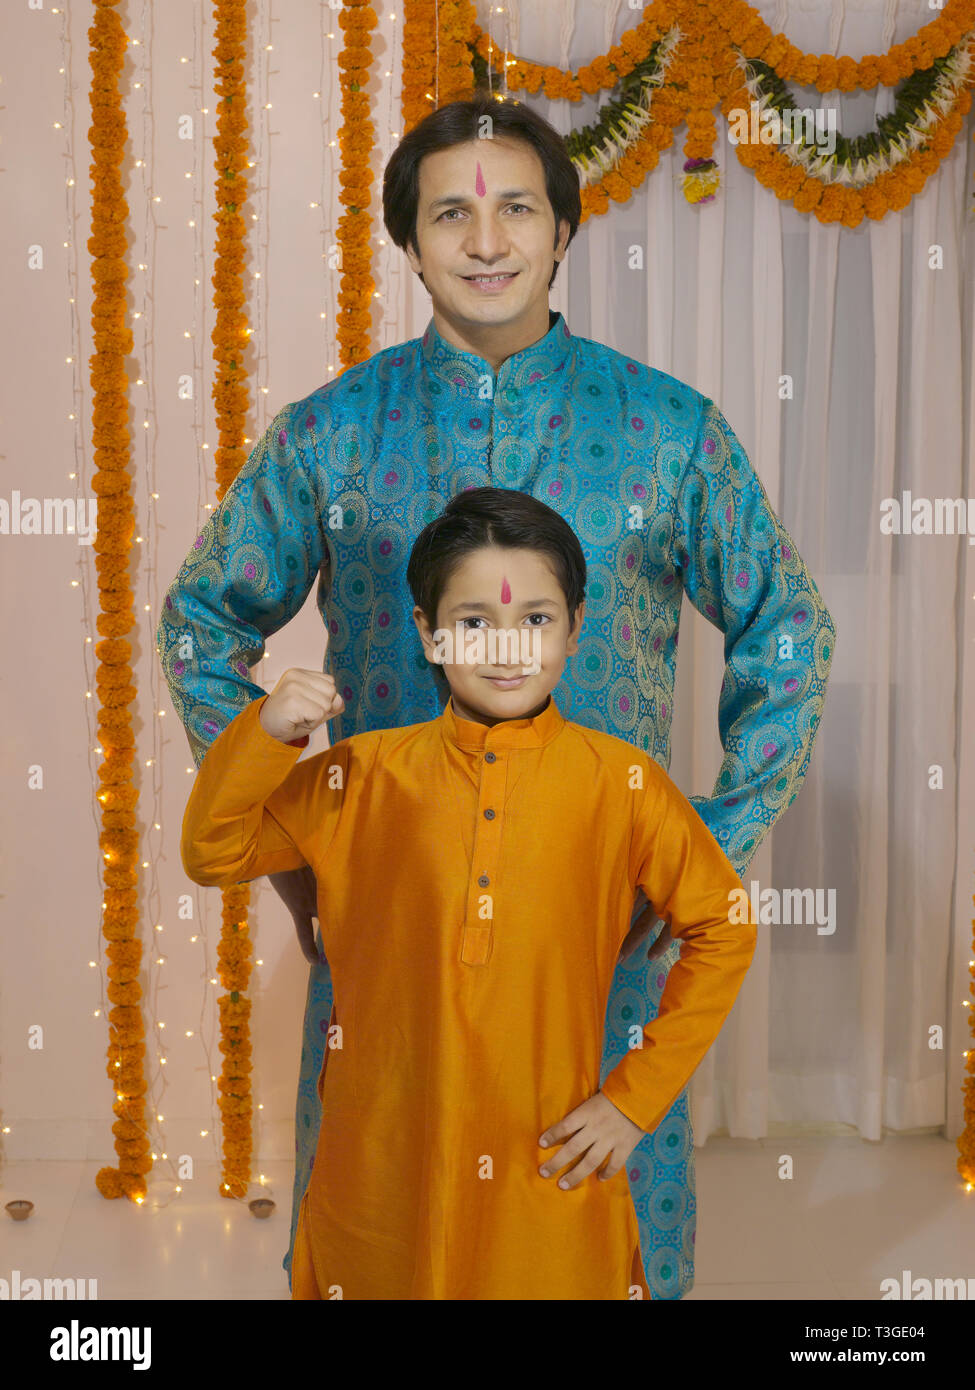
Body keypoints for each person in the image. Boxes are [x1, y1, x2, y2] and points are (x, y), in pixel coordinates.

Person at [156, 90, 835, 1299]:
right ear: (408, 242)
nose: (485, 240)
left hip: (600, 915)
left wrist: (706, 849)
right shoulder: (332, 434)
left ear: (563, 231)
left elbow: (791, 629)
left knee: (590, 1200)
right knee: (383, 1198)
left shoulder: (668, 430)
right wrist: (301, 845)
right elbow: (202, 617)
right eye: (449, 213)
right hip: (395, 910)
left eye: (517, 207)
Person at [180, 488, 759, 1300]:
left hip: (545, 1149)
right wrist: (267, 736)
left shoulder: (621, 784)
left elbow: (724, 926)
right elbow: (213, 852)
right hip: (386, 1155)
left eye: (535, 620)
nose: (507, 648)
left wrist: (633, 1102)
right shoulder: (361, 773)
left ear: (575, 627)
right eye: (474, 621)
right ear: (426, 633)